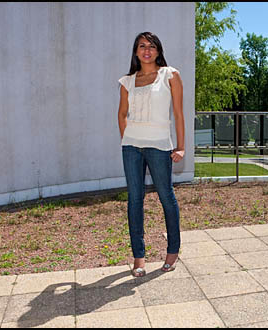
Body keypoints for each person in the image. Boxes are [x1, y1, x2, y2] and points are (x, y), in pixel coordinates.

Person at [117, 32, 185, 277]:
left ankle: (172, 251)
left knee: (166, 196)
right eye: (142, 46)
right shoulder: (127, 81)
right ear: (136, 52)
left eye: (152, 46)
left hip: (159, 145)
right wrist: (129, 137)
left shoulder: (170, 75)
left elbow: (178, 113)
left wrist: (180, 145)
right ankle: (139, 258)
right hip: (131, 147)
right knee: (134, 200)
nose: (147, 50)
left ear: (158, 51)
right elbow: (122, 114)